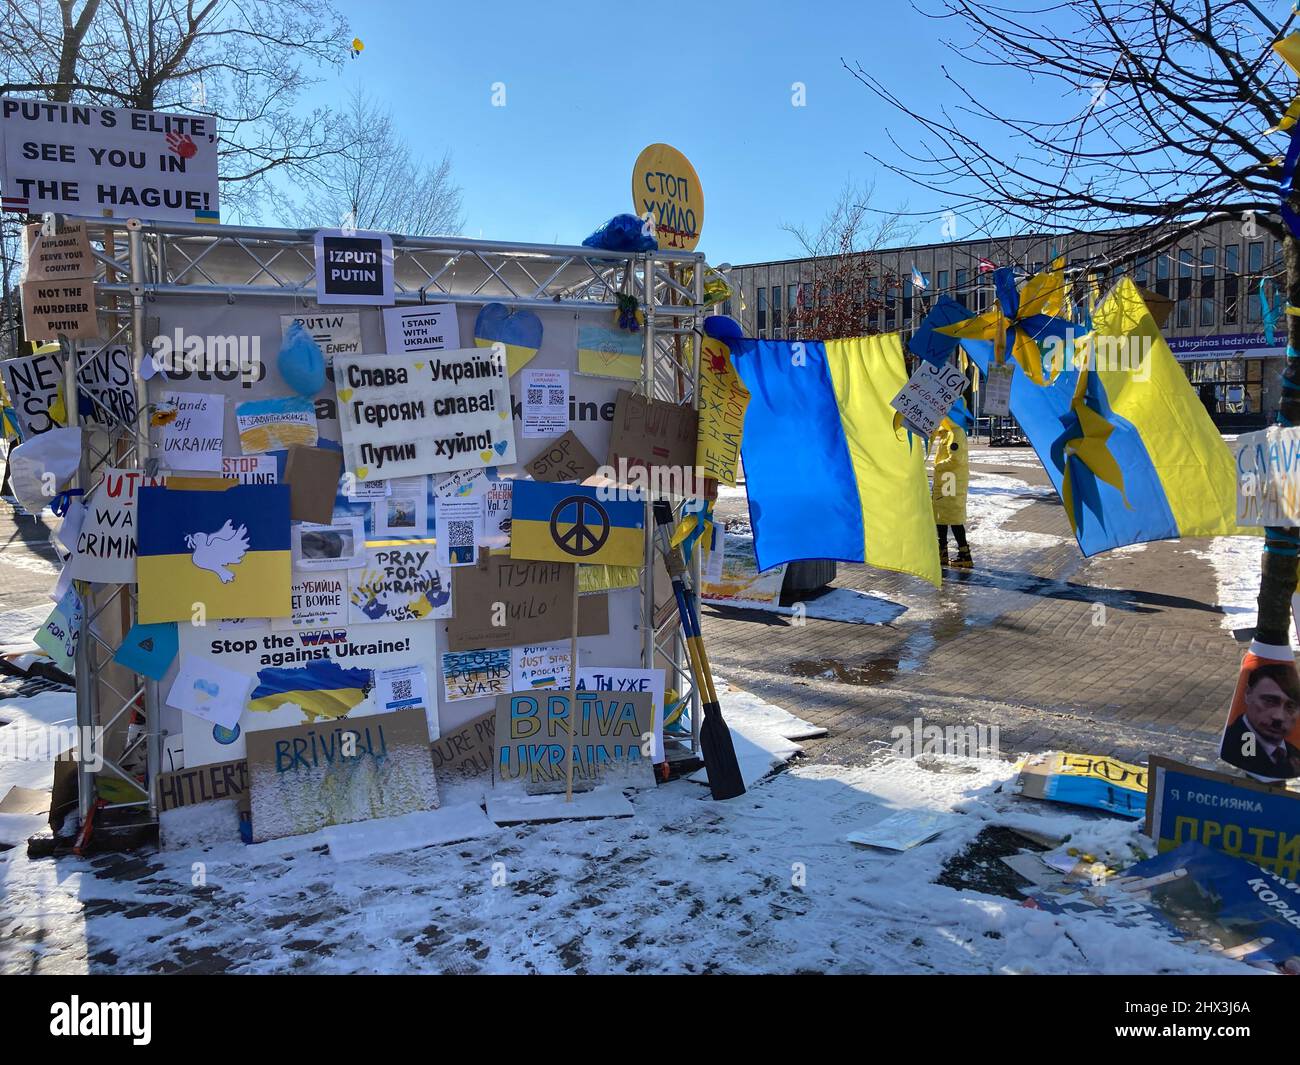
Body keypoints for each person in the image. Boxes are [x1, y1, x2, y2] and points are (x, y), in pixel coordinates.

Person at [1219, 661, 1300, 779]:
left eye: (1290, 706)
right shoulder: (1232, 746)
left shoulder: (1294, 754)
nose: (1279, 716)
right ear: (1247, 693)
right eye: (1269, 701)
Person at [932, 398, 973, 569]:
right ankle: (942, 552)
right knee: (942, 517)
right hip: (947, 481)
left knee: (952, 518)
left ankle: (964, 554)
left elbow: (956, 460)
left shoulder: (956, 433)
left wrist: (938, 466)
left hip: (950, 481)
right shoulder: (948, 432)